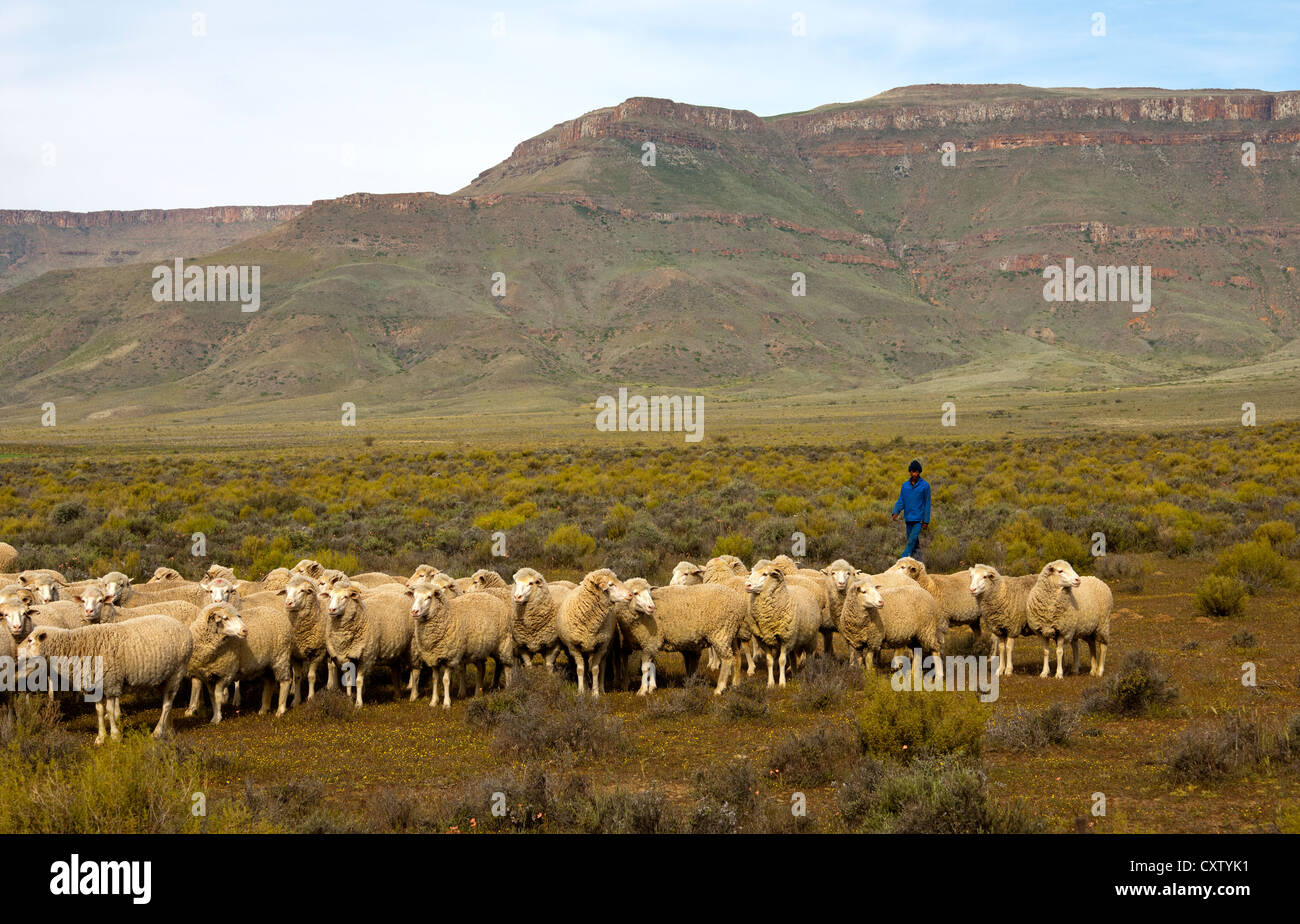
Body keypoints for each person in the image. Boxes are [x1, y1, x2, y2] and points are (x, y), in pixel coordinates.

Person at [890, 459, 930, 559]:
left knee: (910, 542)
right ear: (910, 472)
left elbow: (927, 504)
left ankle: (901, 560)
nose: (915, 474)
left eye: (917, 472)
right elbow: (901, 500)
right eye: (913, 471)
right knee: (914, 545)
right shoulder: (905, 486)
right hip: (908, 519)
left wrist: (926, 520)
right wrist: (896, 511)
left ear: (919, 472)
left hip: (919, 520)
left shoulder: (925, 486)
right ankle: (919, 565)